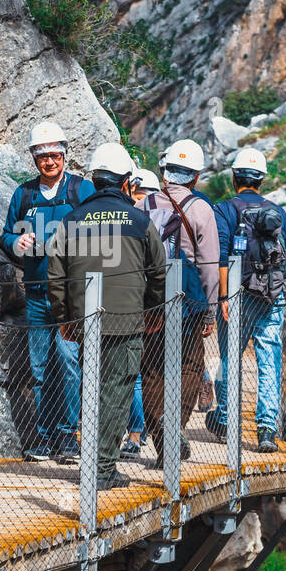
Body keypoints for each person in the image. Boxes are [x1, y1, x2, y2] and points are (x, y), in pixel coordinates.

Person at [46, 143, 165, 490]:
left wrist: (65, 318)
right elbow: (159, 272)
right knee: (117, 393)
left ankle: (97, 465)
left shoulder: (71, 220)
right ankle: (101, 470)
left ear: (95, 181)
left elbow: (55, 276)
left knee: (93, 390)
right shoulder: (140, 220)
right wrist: (153, 311)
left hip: (85, 322)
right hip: (127, 321)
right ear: (127, 183)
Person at [0, 121, 95, 461]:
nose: (49, 162)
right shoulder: (24, 194)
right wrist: (17, 241)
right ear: (34, 158)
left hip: (70, 295)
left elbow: (97, 235)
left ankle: (69, 436)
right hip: (37, 293)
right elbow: (7, 235)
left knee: (68, 362)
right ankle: (44, 437)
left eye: (55, 155)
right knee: (39, 369)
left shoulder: (82, 190)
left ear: (65, 156)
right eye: (43, 156)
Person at [140, 138, 220, 466]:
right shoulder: (201, 209)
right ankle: (174, 428)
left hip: (148, 301)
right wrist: (210, 311)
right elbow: (210, 266)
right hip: (186, 304)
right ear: (195, 177)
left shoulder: (144, 207)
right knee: (189, 364)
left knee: (149, 368)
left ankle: (161, 435)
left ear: (165, 173)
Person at [207, 148, 286, 452]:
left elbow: (220, 254)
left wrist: (223, 296)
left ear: (234, 177)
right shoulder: (278, 212)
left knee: (231, 358)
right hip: (271, 295)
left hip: (238, 295)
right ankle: (267, 430)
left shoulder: (225, 210)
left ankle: (227, 418)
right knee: (269, 362)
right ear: (261, 181)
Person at [122, 168, 162, 457]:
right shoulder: (156, 219)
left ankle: (135, 433)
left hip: (130, 302)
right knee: (149, 371)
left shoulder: (129, 218)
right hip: (154, 302)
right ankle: (143, 430)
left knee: (134, 373)